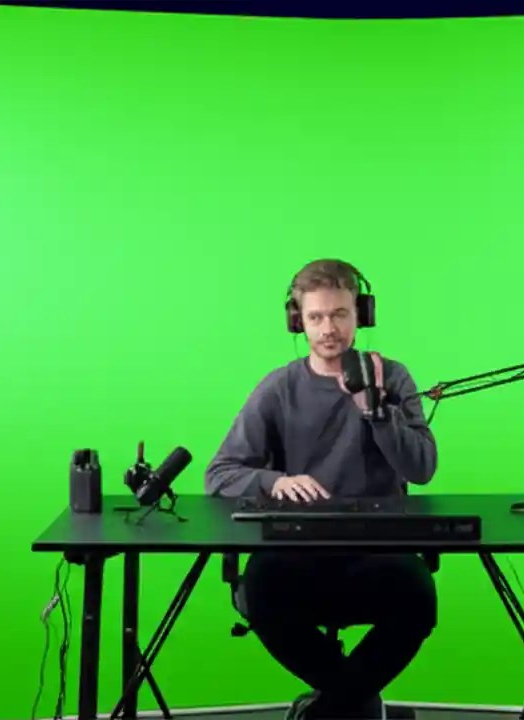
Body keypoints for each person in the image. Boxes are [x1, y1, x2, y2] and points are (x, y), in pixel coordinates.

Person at [204, 258, 438, 719]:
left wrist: (374, 409)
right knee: (262, 591)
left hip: (377, 548)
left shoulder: (392, 378)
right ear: (298, 320)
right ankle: (356, 704)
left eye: (339, 315)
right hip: (299, 549)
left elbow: (423, 468)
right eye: (315, 317)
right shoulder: (278, 388)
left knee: (418, 598)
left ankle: (329, 709)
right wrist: (276, 480)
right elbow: (220, 474)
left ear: (360, 315)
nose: (327, 328)